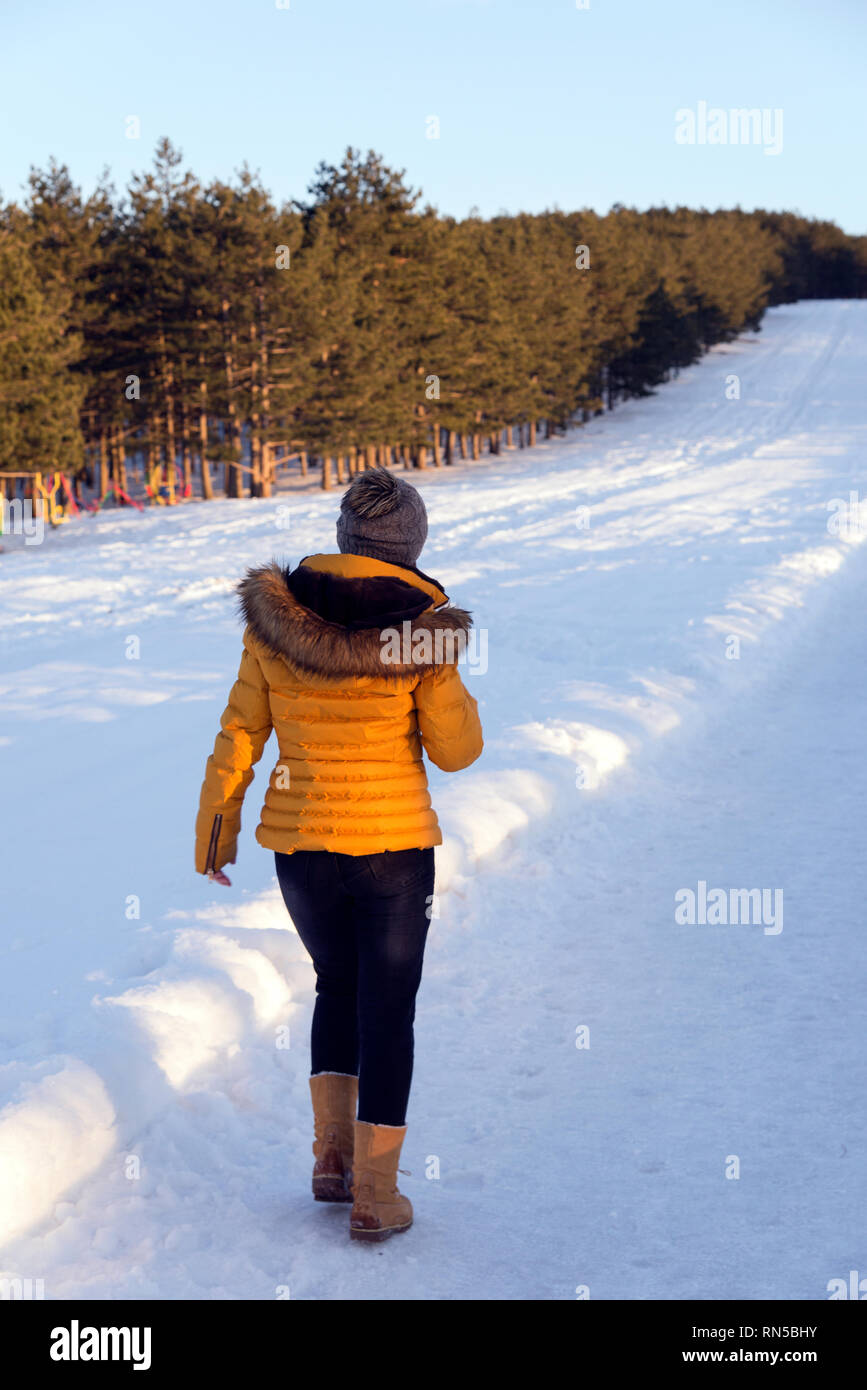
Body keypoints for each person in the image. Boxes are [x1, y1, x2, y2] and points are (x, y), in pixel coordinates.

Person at [195, 468, 483, 1241]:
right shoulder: (422, 632)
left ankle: (330, 1161)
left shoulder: (275, 622)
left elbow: (239, 731)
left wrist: (218, 829)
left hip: (301, 849)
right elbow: (457, 752)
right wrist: (443, 676)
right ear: (408, 547)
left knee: (335, 989)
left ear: (344, 540)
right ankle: (375, 1195)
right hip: (391, 851)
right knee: (387, 1013)